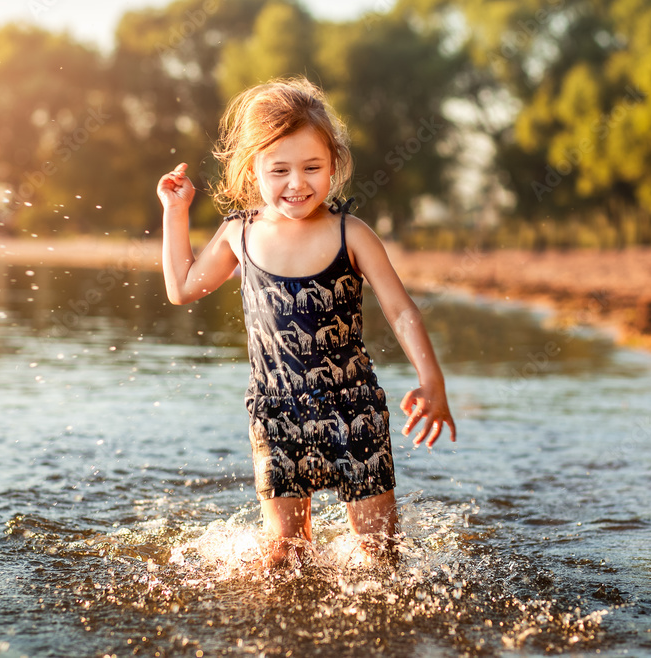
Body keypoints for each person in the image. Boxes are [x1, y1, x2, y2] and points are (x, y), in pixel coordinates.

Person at [156, 77, 455, 568]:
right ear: (253, 168)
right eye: (280, 170)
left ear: (333, 167)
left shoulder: (351, 234)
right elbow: (182, 287)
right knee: (283, 557)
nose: (297, 183)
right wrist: (176, 212)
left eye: (312, 167)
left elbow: (401, 311)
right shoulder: (239, 233)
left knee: (380, 553)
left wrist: (432, 380)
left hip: (354, 407)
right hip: (276, 414)